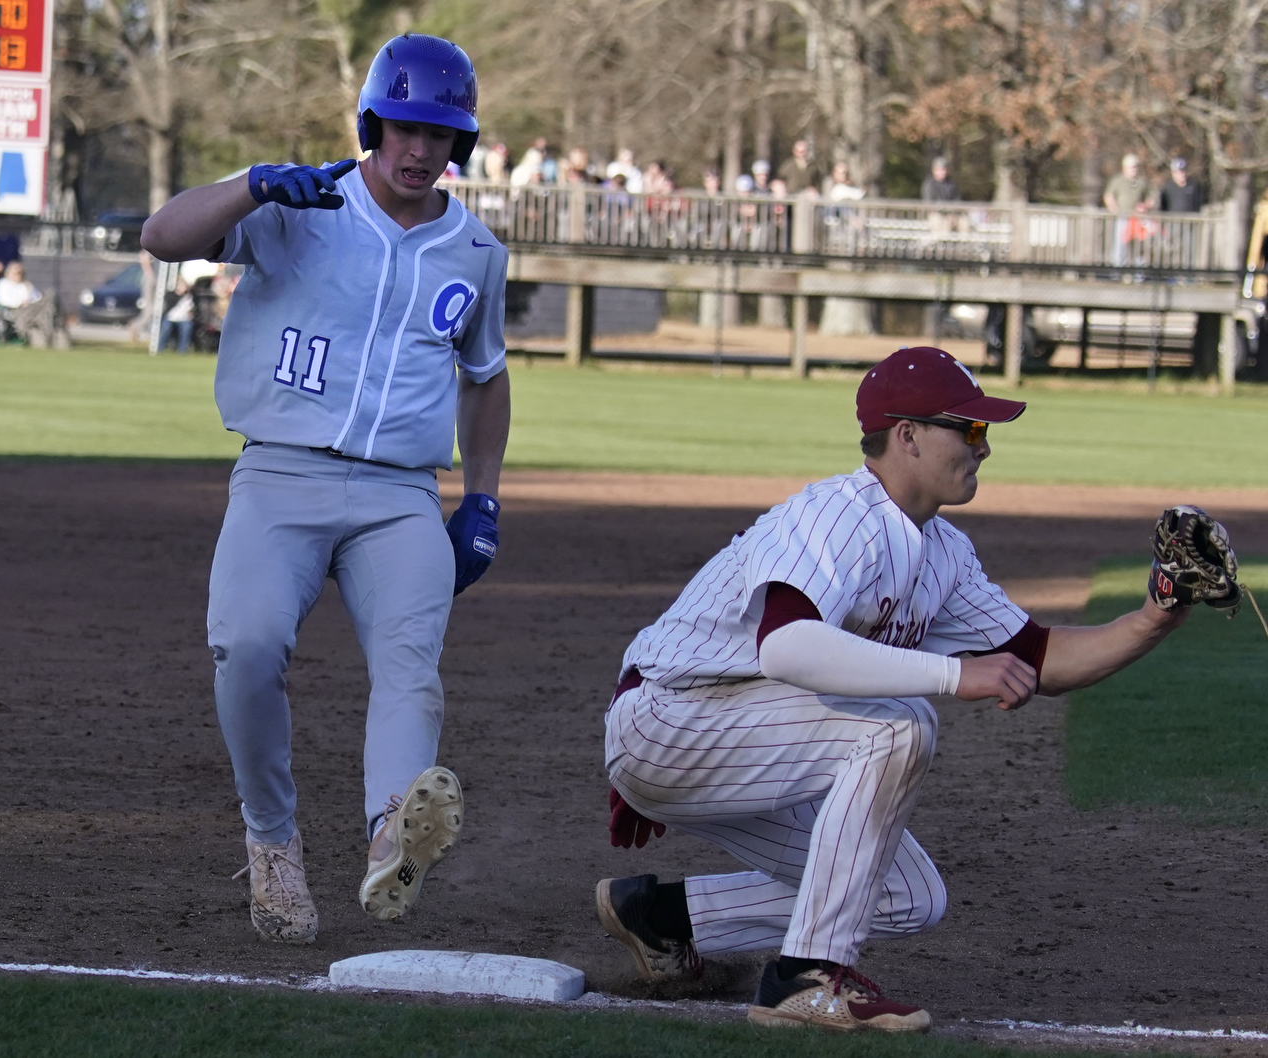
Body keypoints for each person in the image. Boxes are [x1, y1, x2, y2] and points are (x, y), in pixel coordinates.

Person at [595, 346, 1197, 1033]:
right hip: (673, 722)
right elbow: (788, 645)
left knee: (907, 896)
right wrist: (952, 674)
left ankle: (663, 918)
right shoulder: (838, 517)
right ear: (907, 435)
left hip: (732, 730)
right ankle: (806, 979)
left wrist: (1158, 614)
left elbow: (1040, 659)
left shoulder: (941, 550)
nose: (985, 446)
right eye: (968, 430)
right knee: (898, 724)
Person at [139, 32, 510, 945]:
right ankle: (273, 843)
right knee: (248, 647)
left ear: (459, 144)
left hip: (400, 498)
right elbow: (160, 238)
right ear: (372, 125)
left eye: (441, 133)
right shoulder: (301, 203)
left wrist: (486, 500)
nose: (420, 149)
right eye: (404, 127)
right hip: (281, 474)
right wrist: (254, 184)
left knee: (410, 673)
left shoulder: (475, 251)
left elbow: (487, 376)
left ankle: (394, 830)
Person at [1103, 153, 1155, 267]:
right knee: (1120, 244)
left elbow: (1151, 199)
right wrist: (1116, 211)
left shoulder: (1142, 181)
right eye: (1131, 167)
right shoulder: (1118, 180)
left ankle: (1139, 272)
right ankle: (1117, 270)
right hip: (1124, 218)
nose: (1134, 169)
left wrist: (1144, 206)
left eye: (1136, 166)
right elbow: (1109, 197)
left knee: (1139, 246)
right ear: (1124, 167)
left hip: (1138, 219)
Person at [159, 277, 195, 353]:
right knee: (166, 329)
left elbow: (192, 308)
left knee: (187, 328)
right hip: (170, 318)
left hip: (183, 319)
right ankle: (160, 348)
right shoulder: (171, 294)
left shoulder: (189, 297)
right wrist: (179, 295)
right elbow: (169, 305)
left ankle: (182, 350)